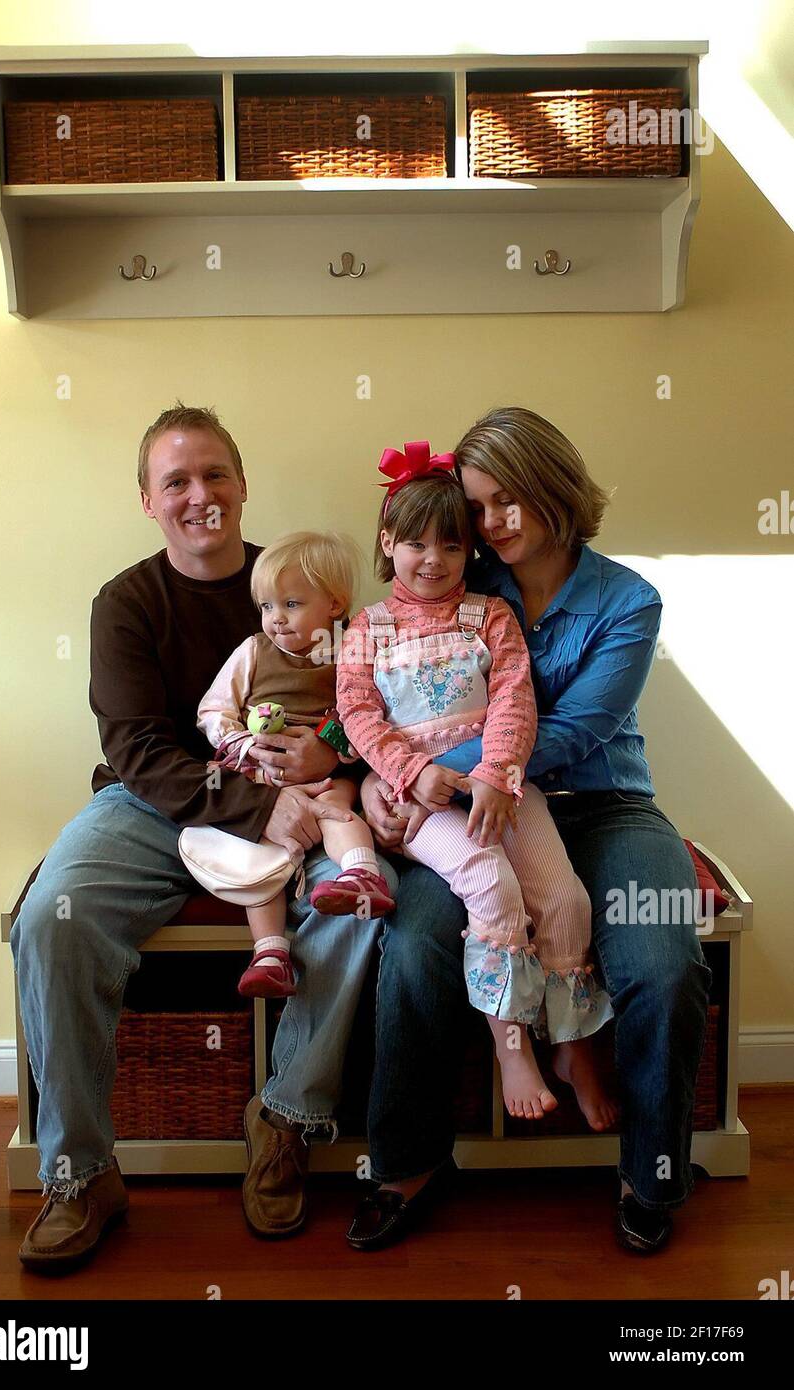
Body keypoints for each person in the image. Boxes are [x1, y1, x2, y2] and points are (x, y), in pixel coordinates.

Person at [8, 403, 417, 1267]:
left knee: (360, 900)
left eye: (215, 475)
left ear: (242, 483)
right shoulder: (126, 602)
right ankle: (81, 1172)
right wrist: (250, 802)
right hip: (149, 806)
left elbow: (368, 700)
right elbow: (134, 745)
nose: (200, 496)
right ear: (148, 502)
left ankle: (284, 1118)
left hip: (301, 796)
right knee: (54, 917)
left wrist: (333, 766)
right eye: (176, 481)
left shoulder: (296, 582)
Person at [347, 407, 712, 1255]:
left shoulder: (627, 598)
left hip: (600, 802)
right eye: (477, 505)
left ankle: (649, 1170)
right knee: (418, 946)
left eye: (508, 499)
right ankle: (406, 1162)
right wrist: (389, 778)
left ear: (556, 488)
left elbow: (579, 727)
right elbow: (377, 702)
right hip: (463, 817)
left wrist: (424, 775)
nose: (489, 524)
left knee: (662, 959)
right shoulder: (459, 585)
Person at [336, 444, 616, 1126]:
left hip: (500, 789)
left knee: (563, 898)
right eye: (415, 544)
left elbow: (515, 701)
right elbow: (356, 714)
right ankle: (510, 1043)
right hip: (425, 805)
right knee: (493, 887)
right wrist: (413, 772)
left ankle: (569, 1043)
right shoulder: (367, 630)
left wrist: (495, 774)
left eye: (451, 546)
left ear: (469, 554)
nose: (431, 560)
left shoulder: (490, 616)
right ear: (387, 544)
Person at [182, 530, 396, 999]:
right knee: (260, 852)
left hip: (327, 776)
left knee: (337, 806)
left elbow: (373, 718)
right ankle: (271, 952)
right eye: (266, 607)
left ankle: (361, 874)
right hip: (264, 778)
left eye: (292, 605)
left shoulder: (355, 653)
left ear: (335, 605)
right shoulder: (254, 652)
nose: (275, 620)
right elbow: (213, 711)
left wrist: (335, 748)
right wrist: (243, 744)